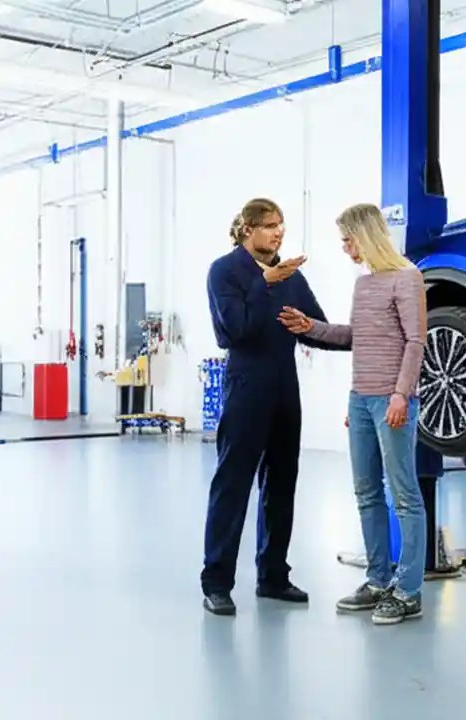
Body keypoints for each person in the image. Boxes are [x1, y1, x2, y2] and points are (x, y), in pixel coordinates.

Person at [277, 202, 428, 626]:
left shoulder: (407, 277)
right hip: (361, 400)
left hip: (392, 401)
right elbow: (355, 338)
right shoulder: (364, 285)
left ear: (366, 236)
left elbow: (415, 342)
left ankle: (409, 591)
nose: (345, 248)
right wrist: (311, 327)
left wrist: (401, 394)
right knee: (366, 492)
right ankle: (378, 579)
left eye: (348, 239)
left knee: (404, 495)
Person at [201, 197, 343, 616]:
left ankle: (273, 575)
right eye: (268, 226)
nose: (278, 232)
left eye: (281, 224)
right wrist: (265, 283)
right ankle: (217, 583)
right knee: (233, 483)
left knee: (281, 484)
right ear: (247, 230)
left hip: (285, 386)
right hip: (246, 385)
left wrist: (357, 333)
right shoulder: (224, 271)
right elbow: (235, 330)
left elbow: (315, 326)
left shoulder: (291, 276)